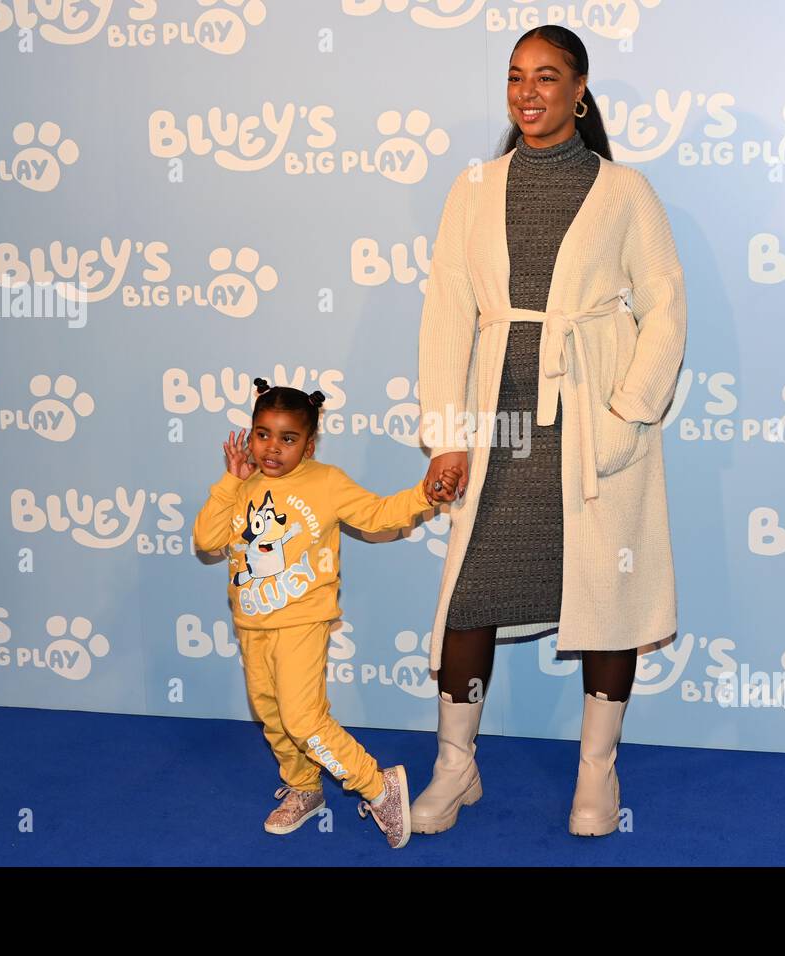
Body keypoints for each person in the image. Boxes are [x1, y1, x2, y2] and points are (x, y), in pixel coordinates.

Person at [413, 25, 687, 836]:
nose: (528, 93)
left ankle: (596, 773)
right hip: (504, 416)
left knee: (608, 592)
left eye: (547, 77)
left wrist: (626, 414)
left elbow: (666, 307)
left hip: (595, 412)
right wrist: (446, 433)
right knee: (472, 592)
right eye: (515, 78)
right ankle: (455, 768)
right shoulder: (474, 186)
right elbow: (445, 310)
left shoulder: (625, 190)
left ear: (580, 90)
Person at [193, 378, 460, 849]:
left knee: (303, 717)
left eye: (288, 438)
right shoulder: (240, 485)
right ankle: (305, 788)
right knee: (271, 714)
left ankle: (379, 787)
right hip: (252, 624)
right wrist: (230, 481)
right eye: (262, 434)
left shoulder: (326, 482)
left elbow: (378, 515)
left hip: (302, 621)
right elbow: (208, 540)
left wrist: (424, 496)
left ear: (309, 445)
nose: (272, 448)